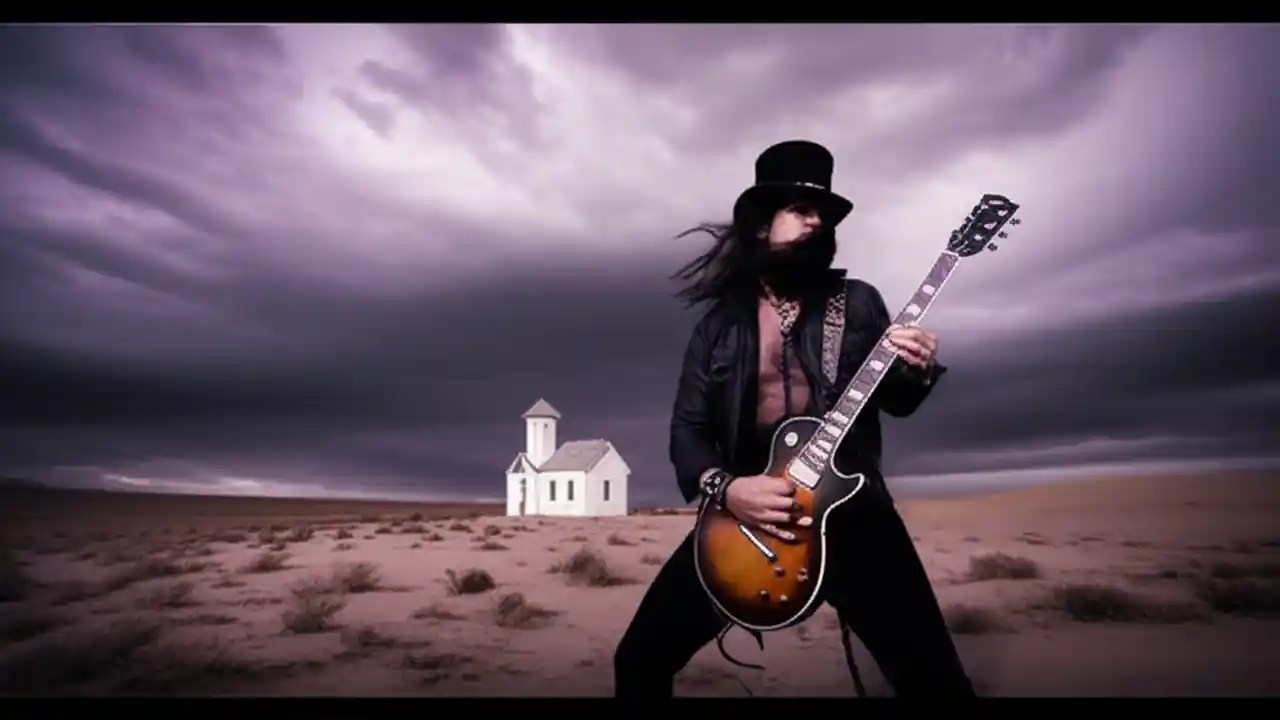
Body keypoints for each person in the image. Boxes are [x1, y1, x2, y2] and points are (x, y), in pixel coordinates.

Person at [612, 139, 975, 698]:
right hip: (746, 523)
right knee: (638, 659)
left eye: (824, 215)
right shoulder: (718, 328)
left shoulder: (858, 302)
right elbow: (688, 430)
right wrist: (729, 490)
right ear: (763, 225)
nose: (817, 223)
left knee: (937, 685)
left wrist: (917, 369)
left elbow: (896, 400)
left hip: (855, 516)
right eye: (802, 211)